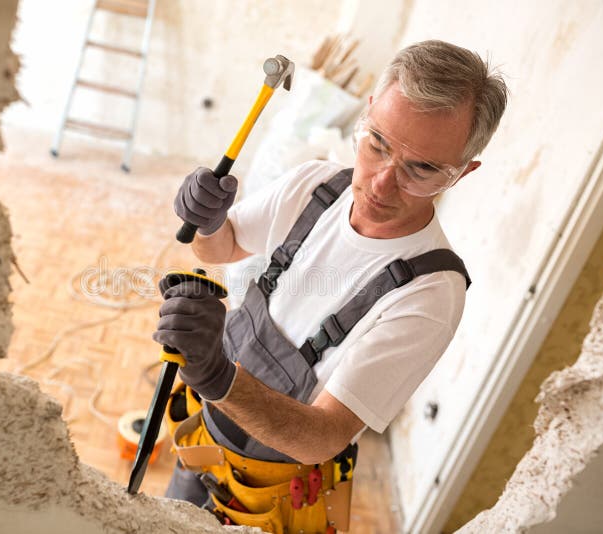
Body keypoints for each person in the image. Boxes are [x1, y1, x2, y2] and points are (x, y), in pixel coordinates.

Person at [154, 39, 508, 532]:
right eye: (378, 144)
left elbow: (322, 438)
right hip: (202, 431)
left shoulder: (431, 293)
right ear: (367, 114)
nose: (382, 183)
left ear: (462, 173)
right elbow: (223, 248)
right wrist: (210, 221)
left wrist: (216, 374)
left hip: (264, 496)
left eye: (422, 169)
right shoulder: (317, 185)